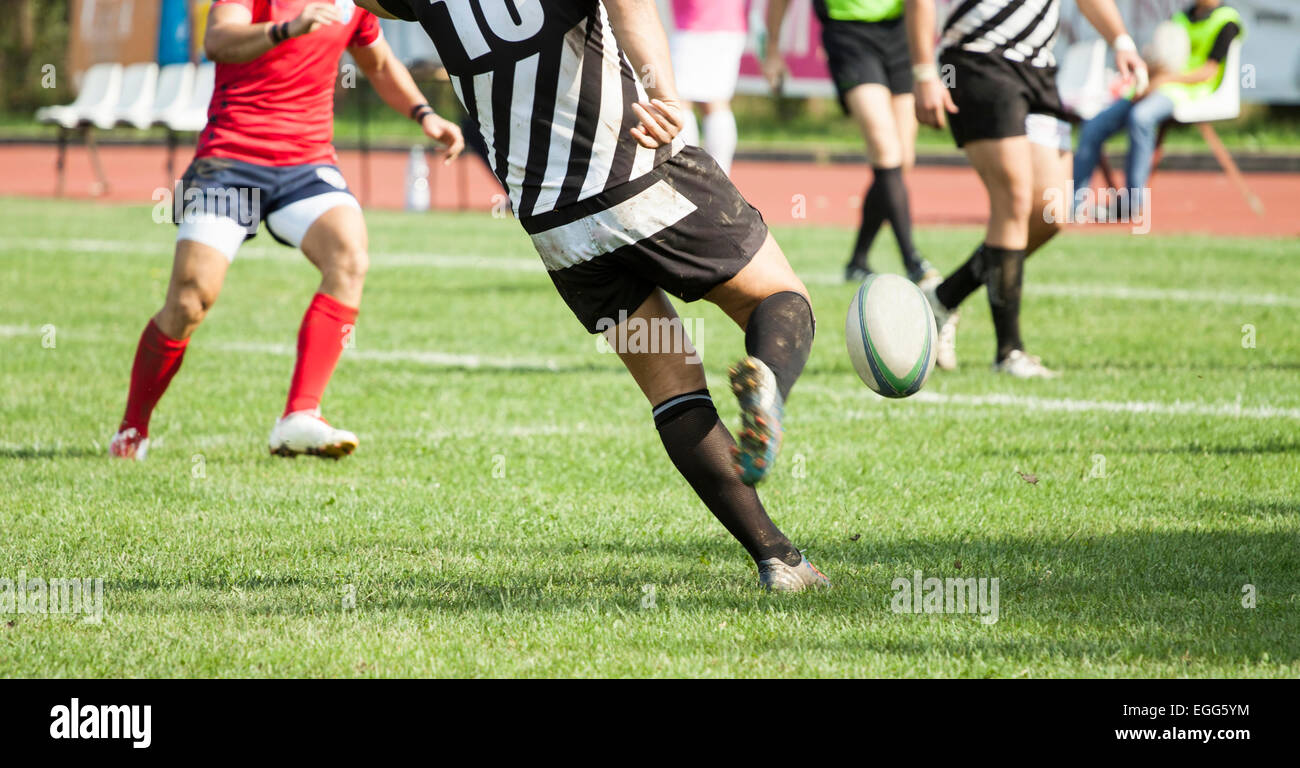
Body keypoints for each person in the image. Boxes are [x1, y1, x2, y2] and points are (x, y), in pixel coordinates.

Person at [358, 0, 829, 592]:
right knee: (779, 296)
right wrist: (668, 96)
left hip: (554, 223)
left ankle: (780, 563)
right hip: (635, 171)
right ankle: (767, 381)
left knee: (672, 386)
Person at [109, 0, 464, 461]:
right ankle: (132, 428)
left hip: (306, 164)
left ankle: (299, 416)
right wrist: (286, 29)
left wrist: (424, 114)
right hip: (230, 160)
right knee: (189, 300)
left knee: (349, 255)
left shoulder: (354, 3)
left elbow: (378, 64)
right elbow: (217, 41)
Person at [907, 0, 1144, 378]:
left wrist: (1121, 41)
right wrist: (924, 72)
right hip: (976, 60)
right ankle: (1009, 352)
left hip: (1038, 67)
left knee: (1053, 212)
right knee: (1013, 202)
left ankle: (942, 298)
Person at [765, 0, 937, 285]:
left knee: (901, 161)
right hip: (848, 36)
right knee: (886, 150)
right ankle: (913, 262)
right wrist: (772, 49)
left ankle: (858, 261)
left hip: (900, 34)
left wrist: (927, 68)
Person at [1073, 1, 1243, 212]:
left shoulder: (1227, 21)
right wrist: (1146, 76)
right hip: (1156, 88)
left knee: (1141, 118)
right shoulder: (1180, 18)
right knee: (1093, 126)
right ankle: (1074, 203)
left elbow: (1209, 71)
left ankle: (1131, 203)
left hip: (1189, 93)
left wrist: (1164, 80)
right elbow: (1164, 59)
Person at [669, 0, 747, 175]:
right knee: (716, 103)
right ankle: (720, 176)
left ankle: (688, 173)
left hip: (693, 27)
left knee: (680, 101)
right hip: (730, 27)